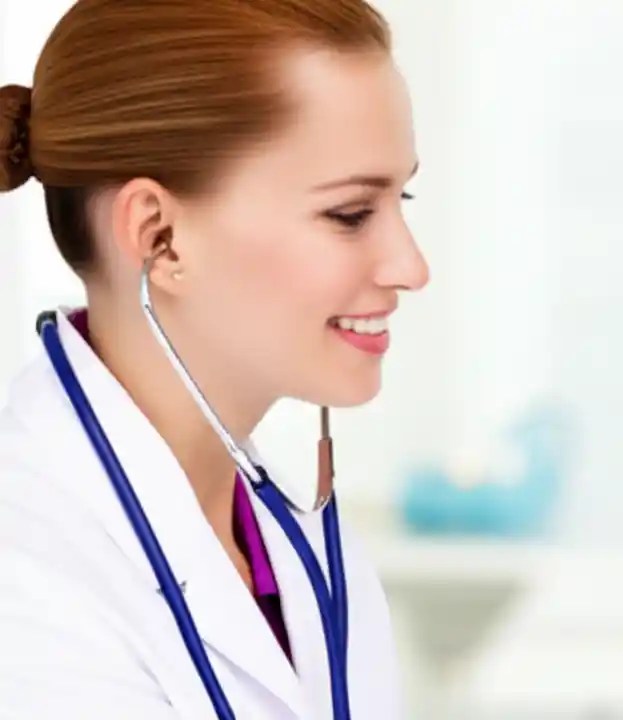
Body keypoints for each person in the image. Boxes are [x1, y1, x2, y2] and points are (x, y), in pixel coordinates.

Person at [0, 1, 427, 718]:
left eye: (402, 198)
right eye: (351, 214)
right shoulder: (26, 573)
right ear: (160, 236)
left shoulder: (302, 551)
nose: (411, 266)